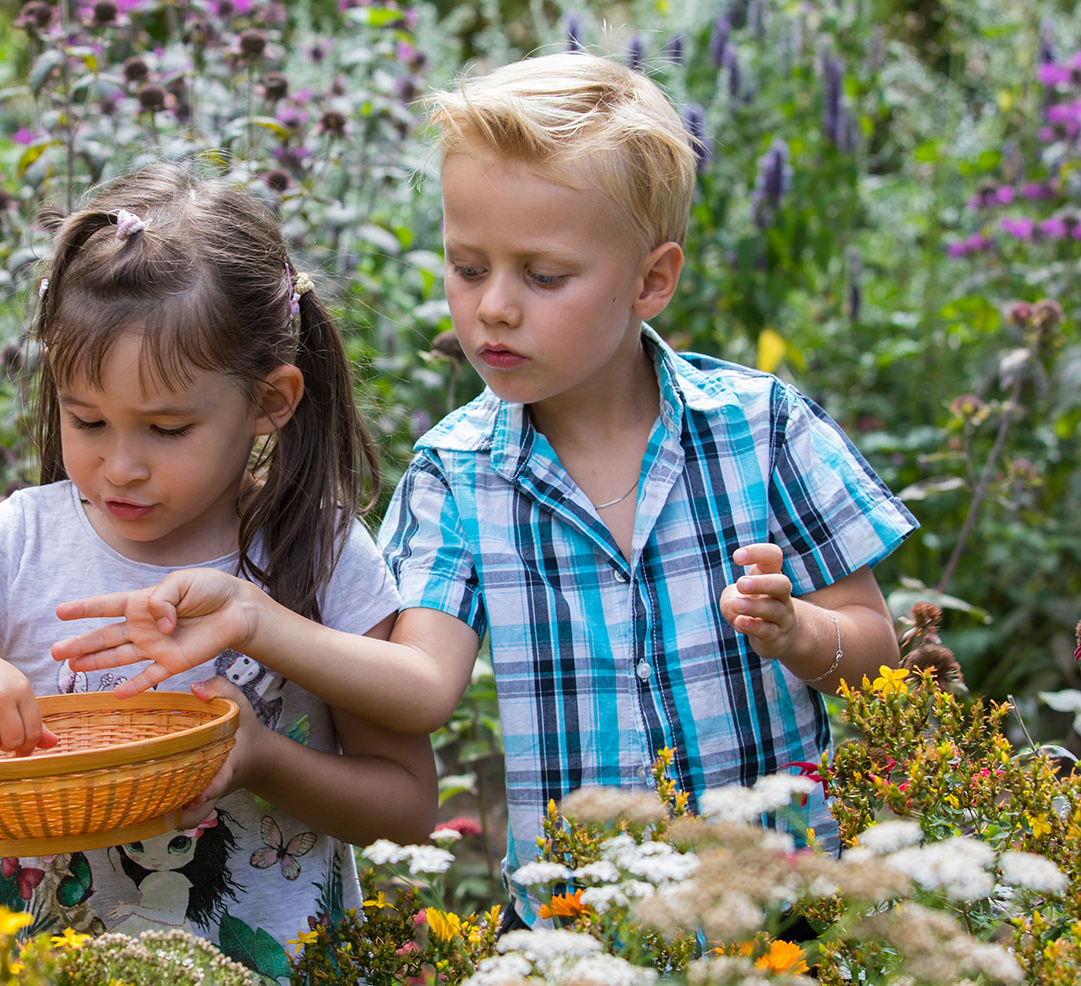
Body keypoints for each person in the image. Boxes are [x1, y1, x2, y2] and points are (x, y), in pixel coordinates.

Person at [53, 53, 917, 925]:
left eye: (544, 277)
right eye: (468, 267)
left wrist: (802, 632)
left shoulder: (758, 427)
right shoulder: (456, 472)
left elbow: (877, 656)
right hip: (583, 933)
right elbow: (423, 686)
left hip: (790, 909)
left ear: (653, 279)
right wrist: (255, 617)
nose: (494, 307)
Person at [0, 160, 438, 986]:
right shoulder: (20, 544)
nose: (119, 466)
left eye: (166, 429)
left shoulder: (316, 553)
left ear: (271, 401)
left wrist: (265, 758)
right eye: (85, 419)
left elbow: (408, 804)